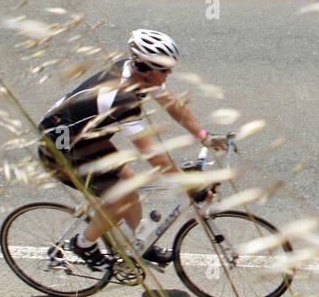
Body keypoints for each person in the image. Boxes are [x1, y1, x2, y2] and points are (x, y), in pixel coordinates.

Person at [37, 31, 225, 269]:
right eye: (165, 70)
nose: (169, 74)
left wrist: (203, 136)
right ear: (146, 69)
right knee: (122, 200)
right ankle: (83, 244)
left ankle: (138, 246)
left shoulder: (136, 74)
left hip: (86, 140)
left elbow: (173, 105)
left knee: (131, 185)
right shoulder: (121, 99)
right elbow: (151, 152)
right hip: (60, 149)